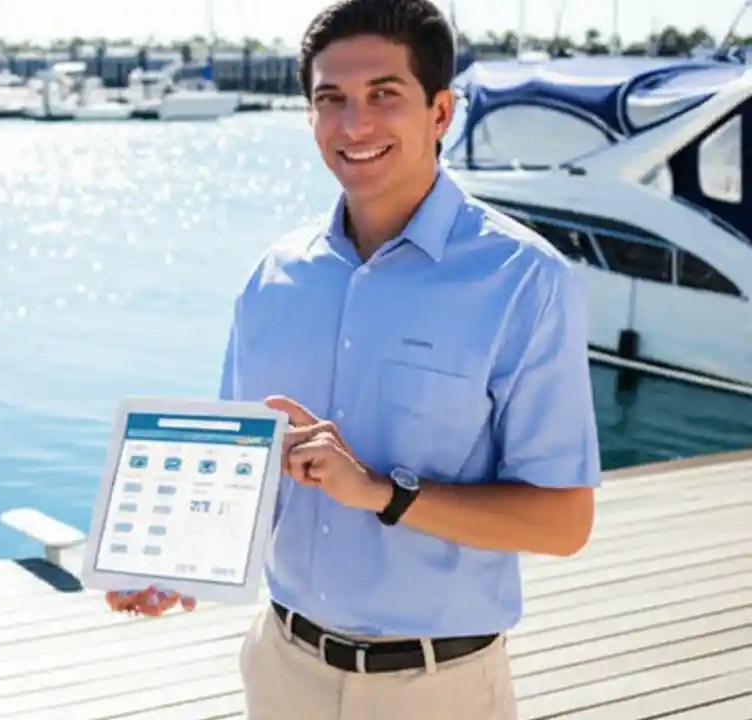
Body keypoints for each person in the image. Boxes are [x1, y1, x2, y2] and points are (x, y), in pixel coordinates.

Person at [105, 0, 602, 717]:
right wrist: (172, 564)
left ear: (440, 113)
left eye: (383, 96)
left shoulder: (527, 280)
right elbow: (245, 478)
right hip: (282, 669)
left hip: (438, 689)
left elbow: (563, 523)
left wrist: (382, 490)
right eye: (329, 99)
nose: (353, 125)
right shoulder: (274, 277)